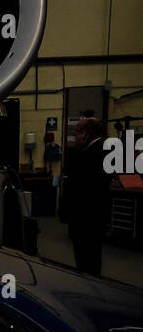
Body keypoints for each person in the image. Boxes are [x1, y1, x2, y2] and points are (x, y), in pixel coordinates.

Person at [58, 117, 112, 275]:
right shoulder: (101, 149)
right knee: (89, 255)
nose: (75, 136)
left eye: (78, 132)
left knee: (87, 256)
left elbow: (81, 184)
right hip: (91, 216)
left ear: (87, 134)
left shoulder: (93, 152)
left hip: (87, 216)